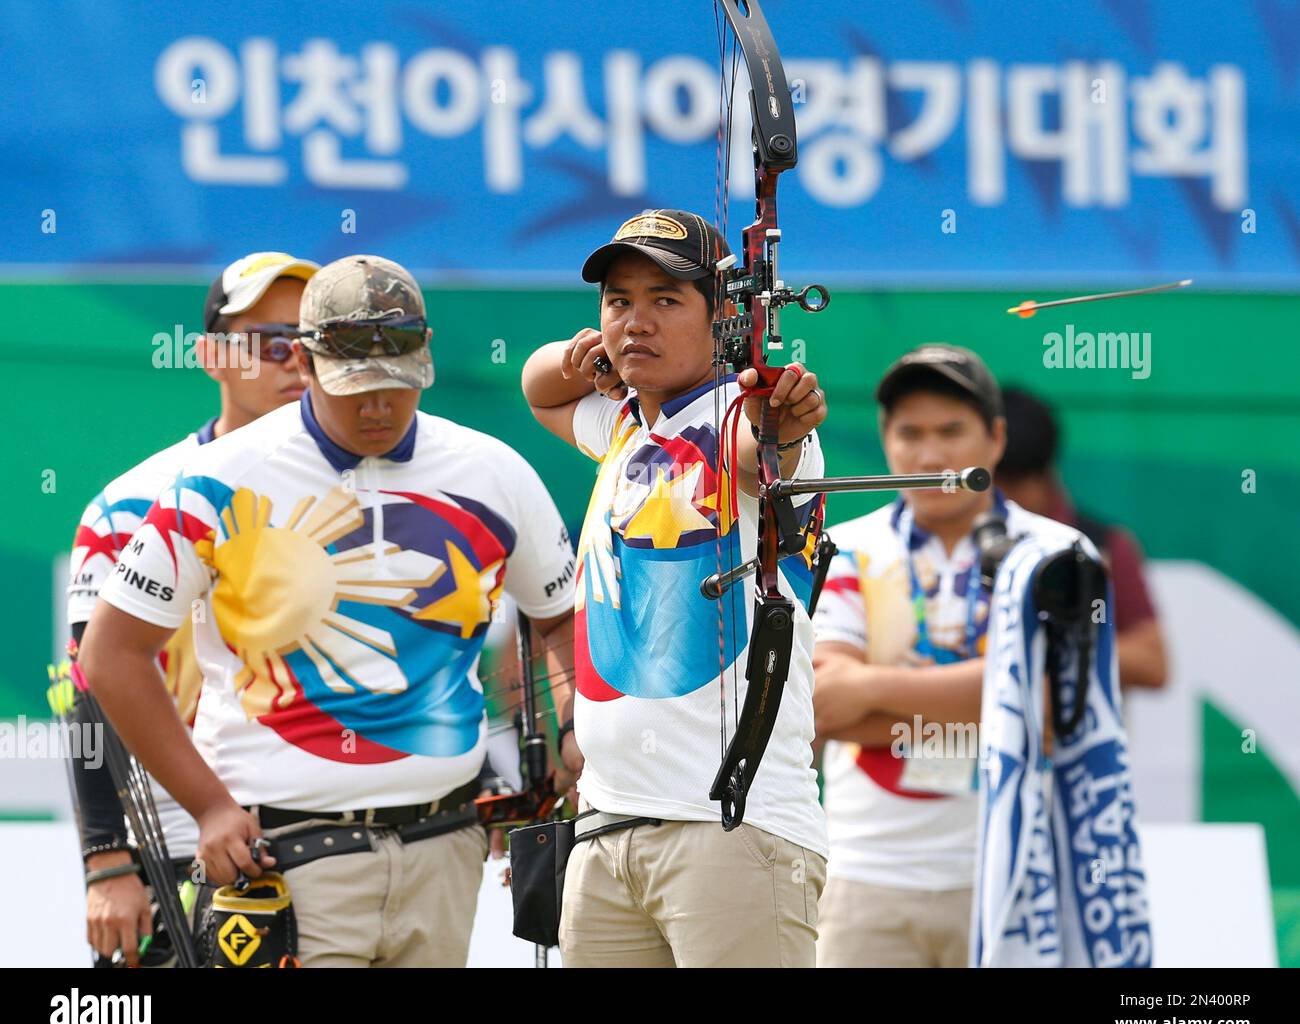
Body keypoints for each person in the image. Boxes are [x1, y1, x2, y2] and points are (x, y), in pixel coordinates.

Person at [79, 254, 577, 967]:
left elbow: (556, 614)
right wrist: (209, 807)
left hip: (446, 852)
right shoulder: (214, 479)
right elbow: (108, 655)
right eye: (354, 387)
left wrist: (576, 726)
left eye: (396, 385)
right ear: (306, 363)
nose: (376, 407)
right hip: (279, 862)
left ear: (426, 357)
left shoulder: (494, 471)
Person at [521, 208, 829, 968]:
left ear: (726, 317)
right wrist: (579, 358)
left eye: (666, 300)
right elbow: (539, 388)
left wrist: (779, 419)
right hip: (608, 824)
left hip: (731, 833)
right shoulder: (625, 426)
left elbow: (772, 451)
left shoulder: (735, 422)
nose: (636, 322)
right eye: (619, 302)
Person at [67, 251, 318, 966]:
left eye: (313, 341)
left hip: (314, 841)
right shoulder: (129, 502)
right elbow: (84, 692)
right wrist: (107, 861)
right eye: (271, 342)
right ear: (209, 355)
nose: (295, 361)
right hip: (174, 850)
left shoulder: (359, 493)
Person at [811, 344, 1084, 968]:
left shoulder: (1058, 553)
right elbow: (825, 705)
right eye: (910, 432)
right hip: (864, 876)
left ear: (995, 439)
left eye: (951, 431)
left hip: (1014, 870)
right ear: (885, 439)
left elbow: (1046, 709)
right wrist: (994, 694)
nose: (930, 455)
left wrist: (873, 697)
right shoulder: (843, 548)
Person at [996, 386, 1168, 689]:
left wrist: (1060, 646)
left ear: (1045, 472)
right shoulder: (956, 543)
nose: (1003, 500)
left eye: (1014, 482)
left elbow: (1153, 664)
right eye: (991, 482)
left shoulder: (1103, 546)